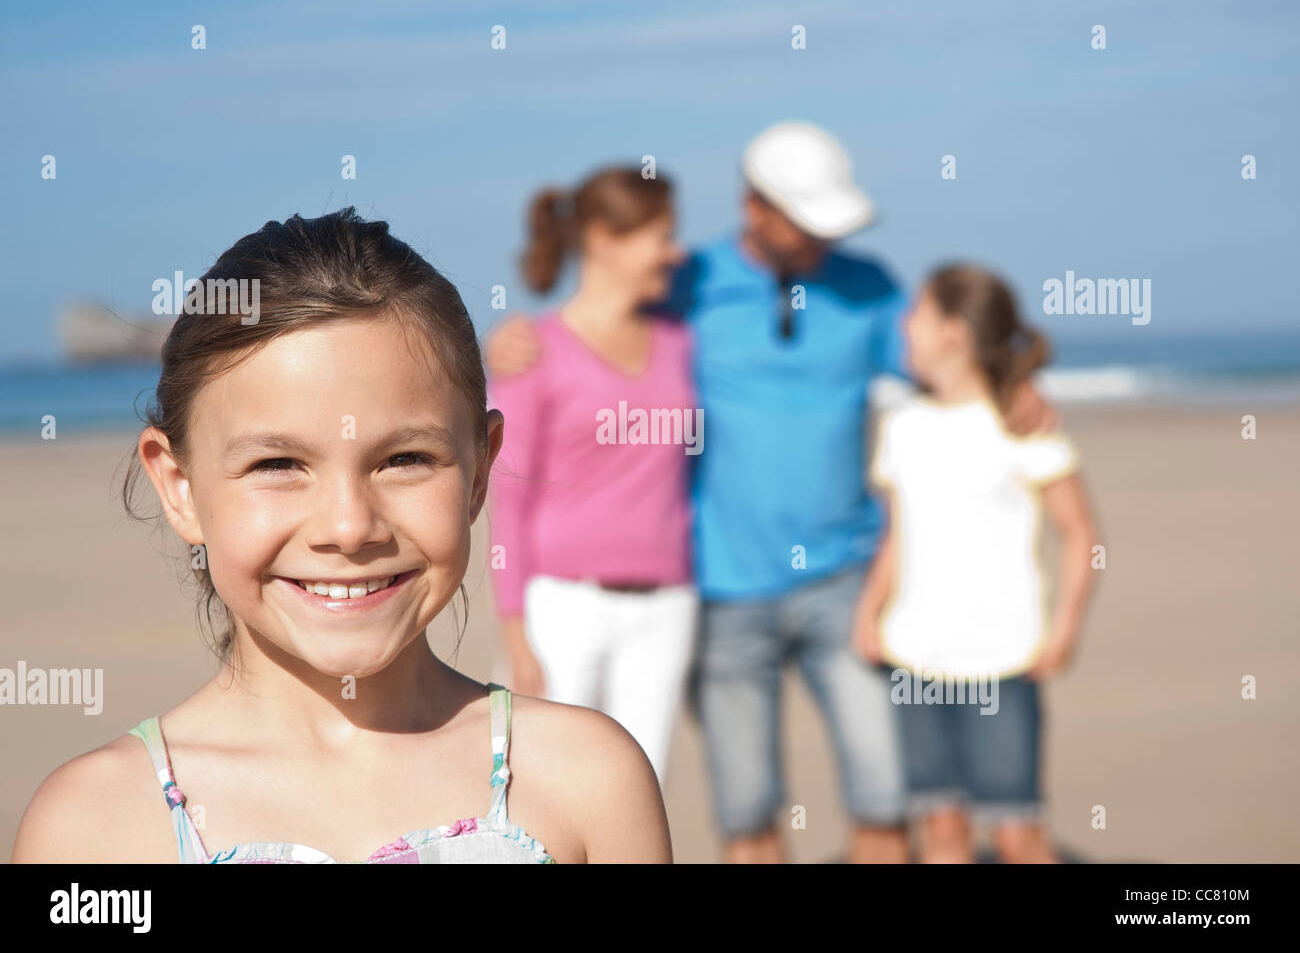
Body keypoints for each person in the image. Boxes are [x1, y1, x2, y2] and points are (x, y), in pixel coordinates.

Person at [11, 208, 669, 864]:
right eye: (277, 465)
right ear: (180, 486)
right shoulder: (94, 828)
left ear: (478, 472)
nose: (350, 527)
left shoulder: (585, 782)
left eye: (405, 459)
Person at [485, 122, 1057, 864]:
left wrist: (1020, 389)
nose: (822, 239)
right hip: (724, 590)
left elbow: (948, 368)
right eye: (805, 220)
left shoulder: (871, 286)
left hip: (845, 582)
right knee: (746, 809)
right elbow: (594, 327)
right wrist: (507, 345)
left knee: (885, 795)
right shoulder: (686, 285)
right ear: (755, 206)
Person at [853, 264, 1099, 863]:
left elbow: (1081, 535)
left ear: (953, 332)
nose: (904, 327)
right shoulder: (902, 425)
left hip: (1003, 656)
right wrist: (869, 613)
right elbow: (898, 537)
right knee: (940, 825)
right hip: (914, 653)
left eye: (917, 314)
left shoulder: (1023, 423)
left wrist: (1064, 627)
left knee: (1018, 832)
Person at [487, 166, 697, 790]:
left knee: (640, 792)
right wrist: (517, 639)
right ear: (604, 239)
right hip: (560, 609)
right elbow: (509, 504)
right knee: (541, 793)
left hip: (667, 606)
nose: (674, 252)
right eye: (660, 236)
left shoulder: (681, 339)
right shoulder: (532, 350)